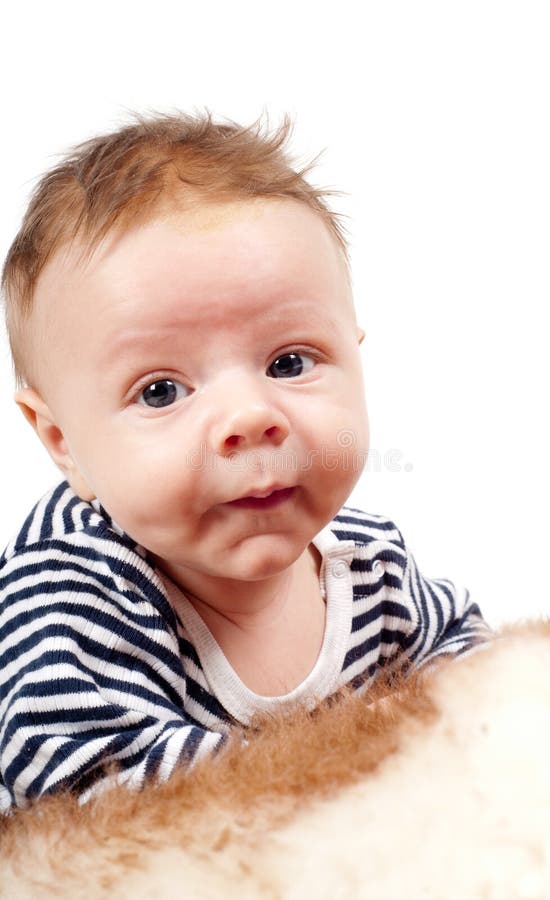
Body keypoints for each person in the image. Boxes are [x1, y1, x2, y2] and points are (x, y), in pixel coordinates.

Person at [0, 111, 489, 813]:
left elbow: (475, 665)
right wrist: (365, 754)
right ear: (63, 443)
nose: (250, 418)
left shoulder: (368, 564)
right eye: (161, 391)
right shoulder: (67, 604)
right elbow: (95, 807)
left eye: (290, 362)